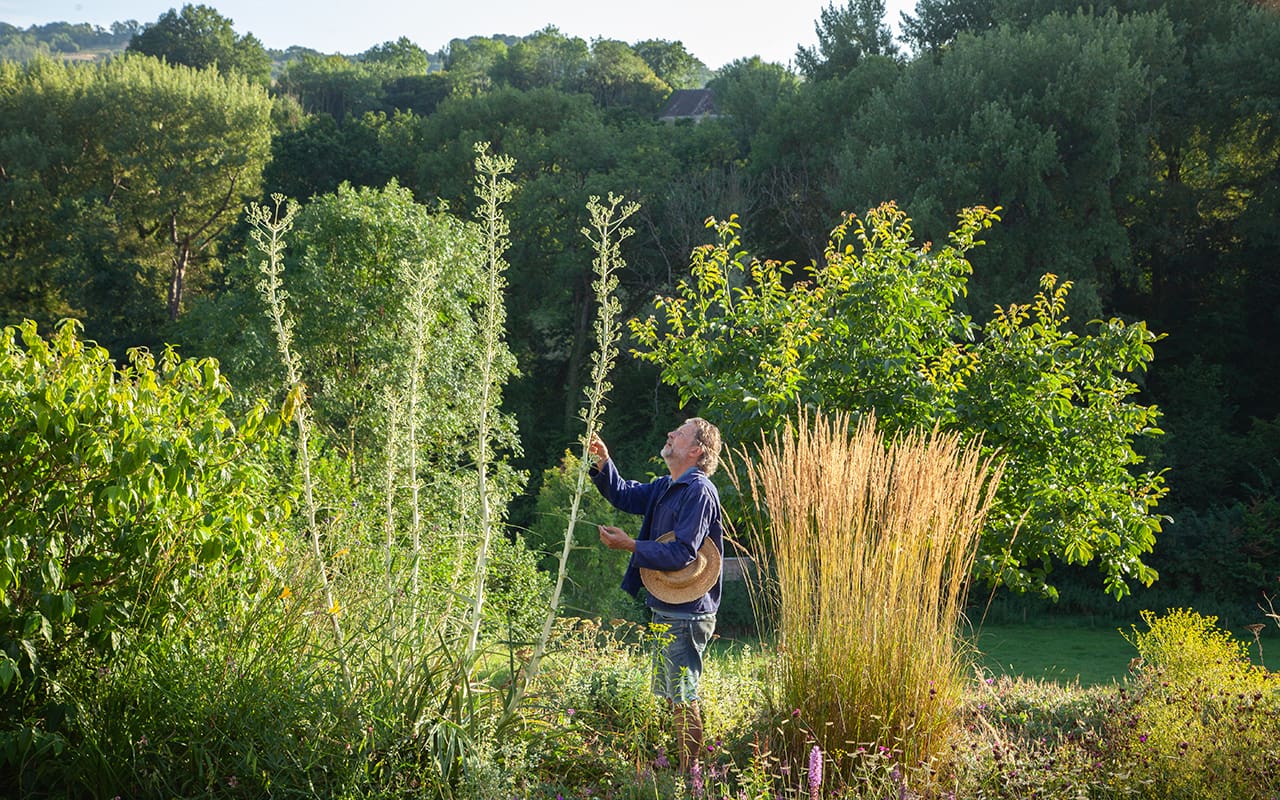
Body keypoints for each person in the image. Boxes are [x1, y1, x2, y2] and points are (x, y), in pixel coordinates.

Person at [588, 418, 724, 773]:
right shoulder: (667, 485)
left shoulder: (699, 491)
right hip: (668, 606)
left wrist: (631, 545)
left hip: (688, 612)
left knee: (683, 696)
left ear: (695, 450)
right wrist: (603, 461)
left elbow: (683, 553)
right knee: (673, 696)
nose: (670, 434)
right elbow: (624, 494)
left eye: (680, 433)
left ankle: (690, 777)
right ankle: (679, 769)